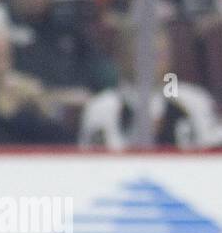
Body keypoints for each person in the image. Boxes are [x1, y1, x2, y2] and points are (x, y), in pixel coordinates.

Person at [78, 22, 220, 150]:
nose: (153, 62)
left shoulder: (193, 101)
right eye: (145, 54)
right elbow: (93, 165)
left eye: (159, 54)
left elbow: (212, 153)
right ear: (123, 56)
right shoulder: (102, 108)